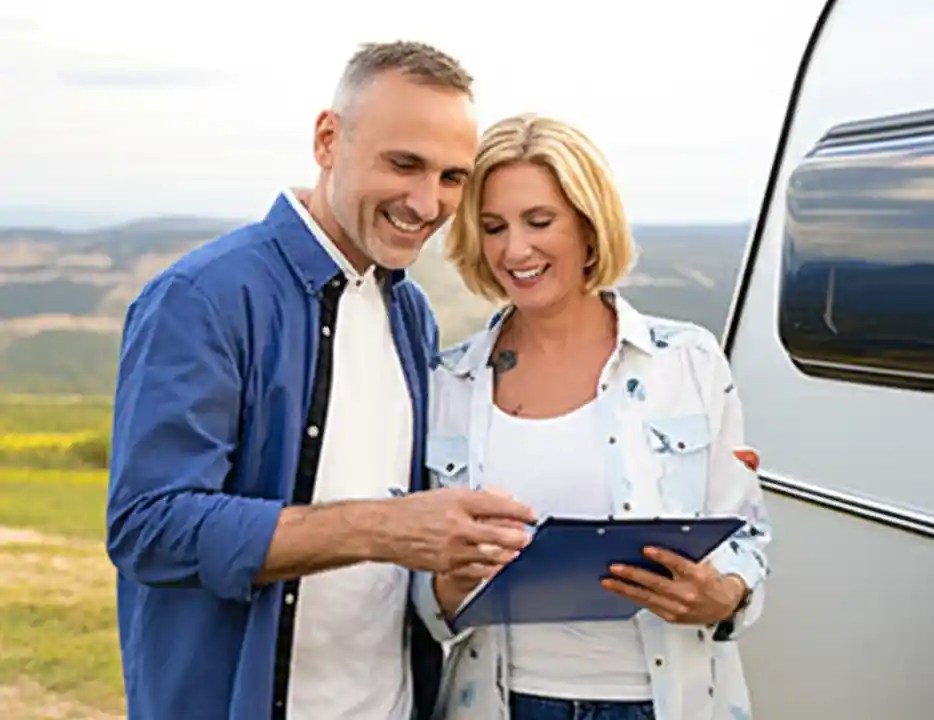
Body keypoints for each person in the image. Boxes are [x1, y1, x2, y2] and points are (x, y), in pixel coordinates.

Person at [105, 41, 538, 720]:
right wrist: (381, 529)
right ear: (328, 140)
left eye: (453, 176)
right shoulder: (204, 296)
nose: (428, 203)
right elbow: (147, 527)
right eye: (405, 164)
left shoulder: (409, 312)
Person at [413, 113, 773, 720]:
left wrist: (722, 595)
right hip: (503, 703)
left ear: (588, 224)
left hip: (667, 702)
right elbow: (418, 591)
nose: (514, 250)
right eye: (494, 227)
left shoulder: (687, 361)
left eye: (539, 221)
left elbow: (748, 535)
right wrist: (449, 586)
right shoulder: (447, 382)